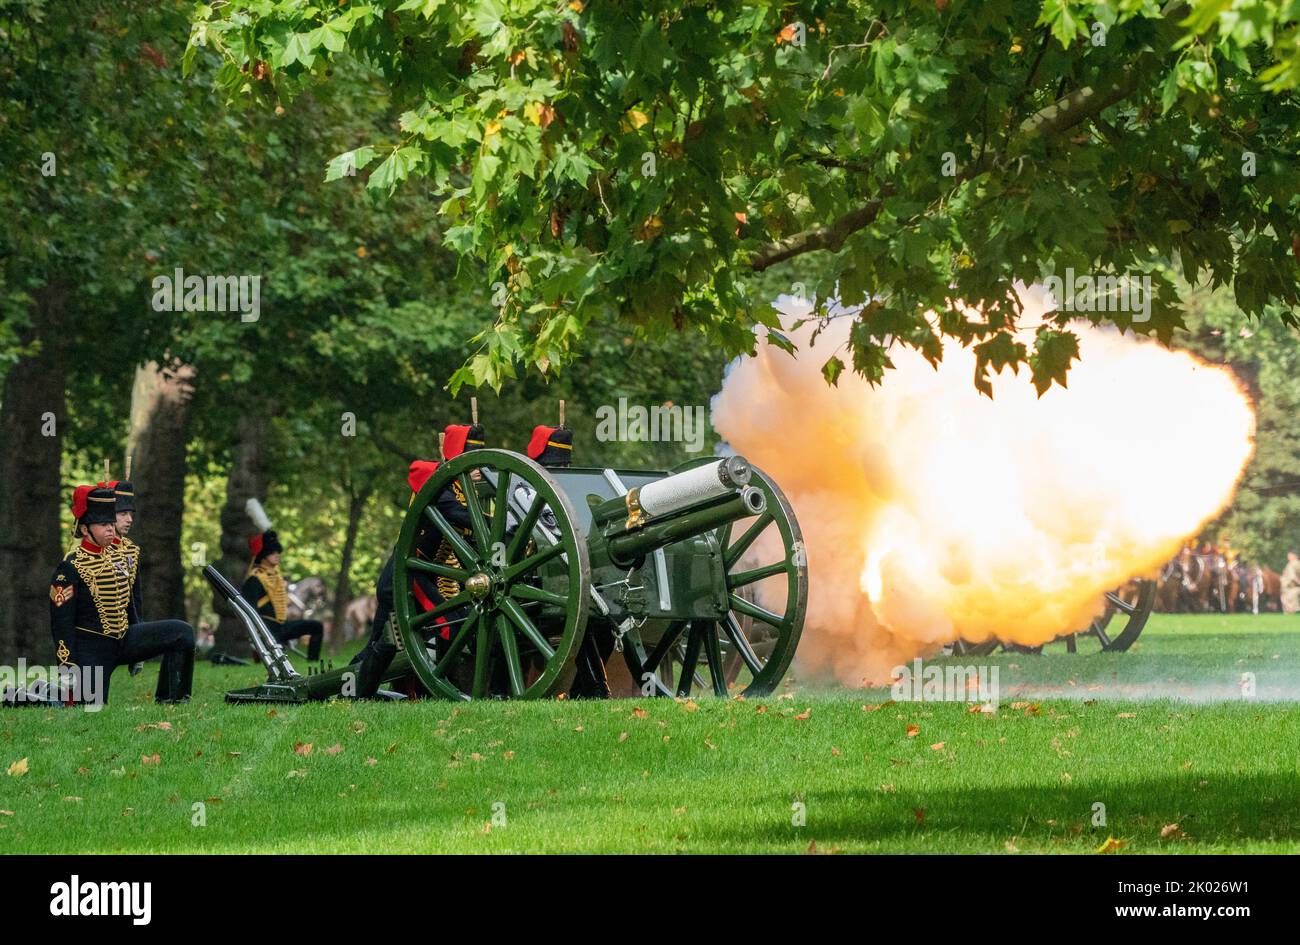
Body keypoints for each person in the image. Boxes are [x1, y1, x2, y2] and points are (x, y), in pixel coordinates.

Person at [351, 421, 485, 698]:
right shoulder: (440, 491)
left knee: (384, 641)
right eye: (472, 462)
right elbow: (463, 518)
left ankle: (353, 689)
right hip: (405, 577)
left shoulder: (460, 491)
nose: (478, 469)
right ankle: (364, 691)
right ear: (457, 458)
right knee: (445, 626)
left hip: (417, 576)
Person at [49, 485, 195, 705]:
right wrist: (68, 668)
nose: (110, 529)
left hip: (124, 639)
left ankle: (172, 701)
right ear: (86, 529)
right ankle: (32, 697)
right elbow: (61, 624)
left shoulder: (121, 559)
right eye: (103, 525)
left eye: (111, 524)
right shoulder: (69, 567)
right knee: (90, 709)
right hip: (91, 650)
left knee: (182, 633)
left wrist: (138, 634)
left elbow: (130, 605)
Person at [240, 509, 325, 661]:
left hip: (282, 625)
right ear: (263, 556)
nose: (277, 555)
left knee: (316, 627)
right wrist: (258, 635)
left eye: (277, 552)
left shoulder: (275, 575)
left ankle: (312, 662)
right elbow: (249, 611)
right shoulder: (254, 579)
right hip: (267, 630)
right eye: (273, 552)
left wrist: (270, 536)